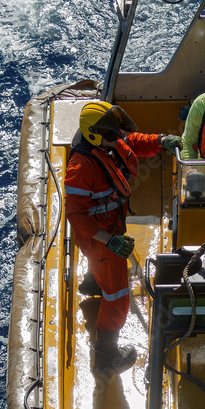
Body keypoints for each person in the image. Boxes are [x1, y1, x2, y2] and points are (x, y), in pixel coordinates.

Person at [65, 101, 180, 373]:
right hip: (101, 239)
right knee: (117, 298)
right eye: (112, 134)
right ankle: (106, 359)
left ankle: (93, 284)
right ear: (96, 135)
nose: (118, 136)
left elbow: (133, 142)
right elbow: (77, 217)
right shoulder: (81, 167)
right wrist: (110, 240)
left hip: (108, 228)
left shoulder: (106, 140)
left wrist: (162, 141)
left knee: (103, 273)